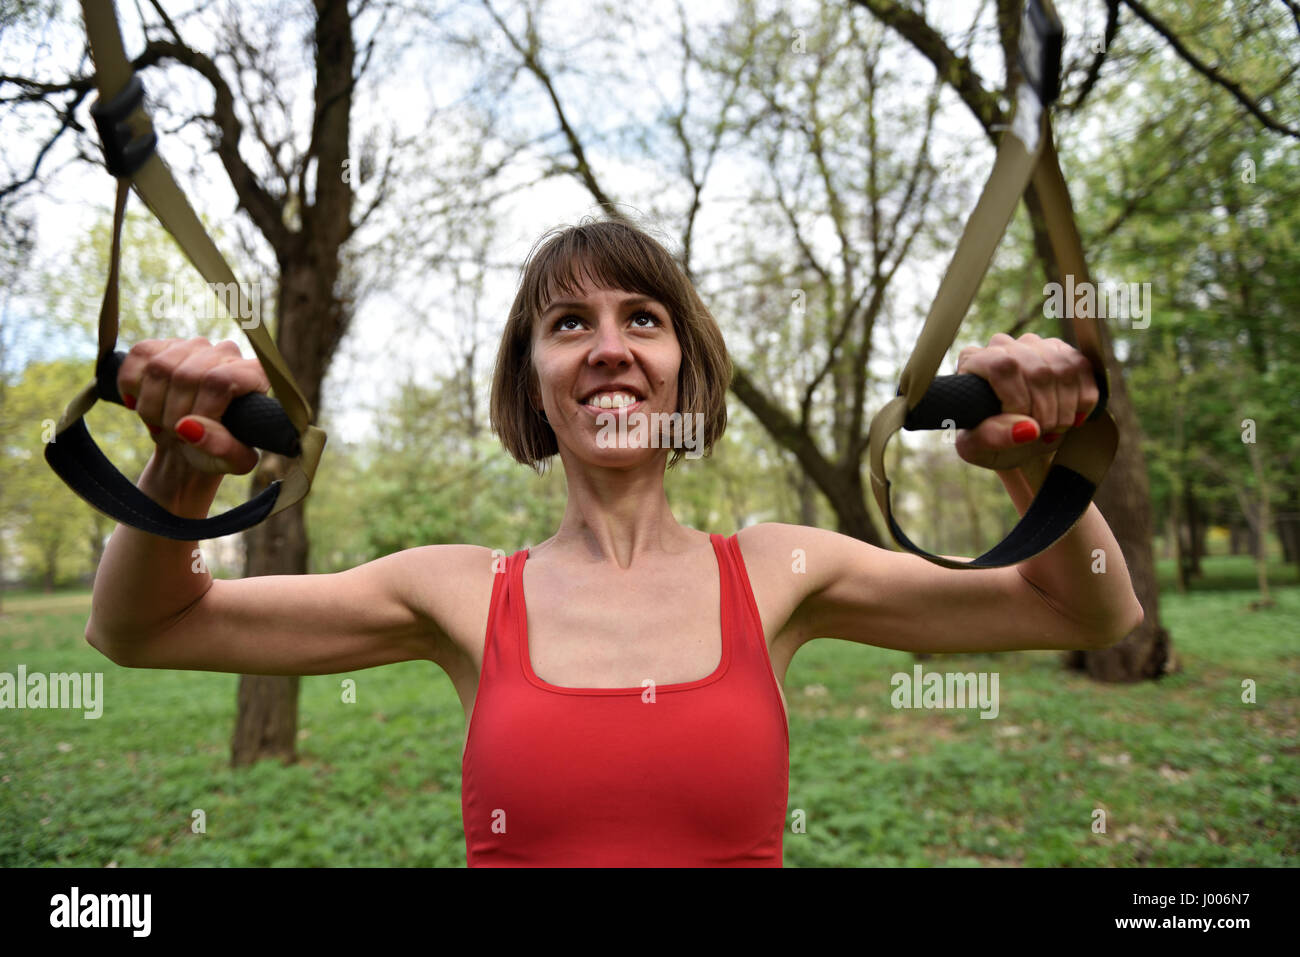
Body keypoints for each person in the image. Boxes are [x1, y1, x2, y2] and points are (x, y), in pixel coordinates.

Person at [84, 218, 1144, 867]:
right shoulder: (456, 590)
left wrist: (1034, 458)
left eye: (642, 319)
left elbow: (1086, 610)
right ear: (533, 383)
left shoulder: (778, 570)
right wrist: (184, 465)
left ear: (685, 365)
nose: (607, 351)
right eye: (566, 325)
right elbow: (143, 627)